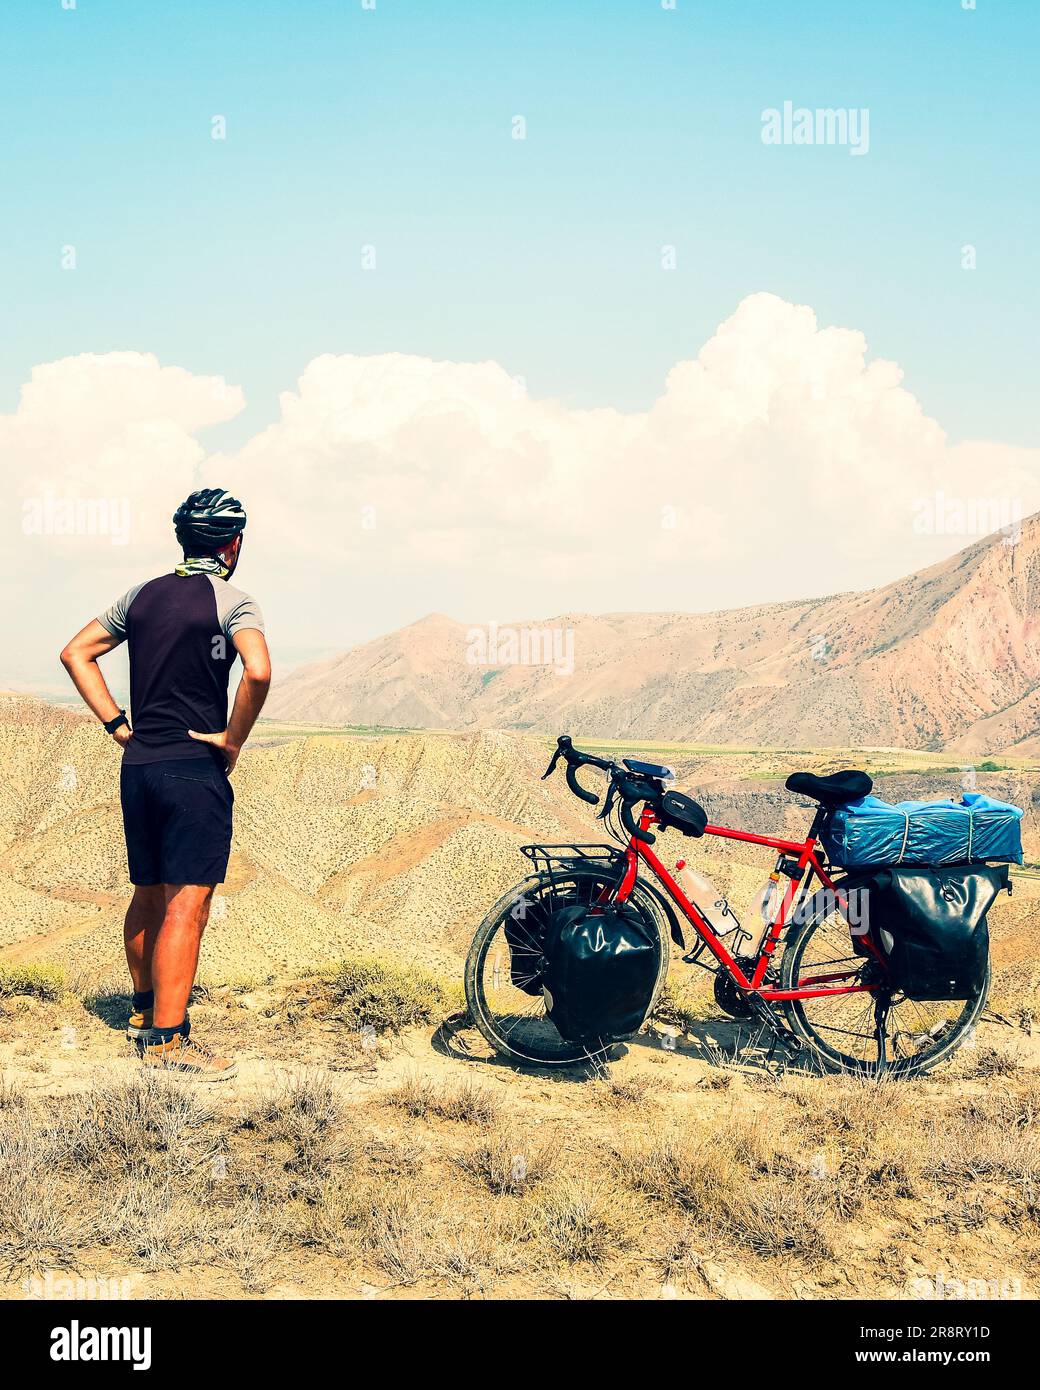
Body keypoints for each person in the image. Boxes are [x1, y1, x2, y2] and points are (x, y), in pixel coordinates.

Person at [59, 488, 271, 1080]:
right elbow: (257, 670)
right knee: (187, 901)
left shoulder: (142, 595)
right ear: (233, 544)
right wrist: (232, 739)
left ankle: (144, 1010)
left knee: (149, 892)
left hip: (140, 765)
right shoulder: (233, 601)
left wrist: (117, 725)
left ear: (183, 539)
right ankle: (170, 1042)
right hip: (192, 770)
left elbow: (77, 653)